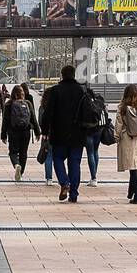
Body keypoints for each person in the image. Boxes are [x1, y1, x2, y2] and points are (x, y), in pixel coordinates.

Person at [39, 64, 87, 203]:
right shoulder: (81, 91)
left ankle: (64, 182)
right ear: (73, 75)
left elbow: (48, 113)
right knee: (75, 163)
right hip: (77, 135)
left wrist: (45, 130)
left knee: (58, 159)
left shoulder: (55, 91)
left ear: (62, 75)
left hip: (59, 133)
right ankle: (74, 194)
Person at [2, 85, 40, 181]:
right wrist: (37, 132)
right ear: (22, 94)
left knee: (13, 152)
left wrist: (3, 135)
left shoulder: (9, 104)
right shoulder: (27, 103)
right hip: (26, 131)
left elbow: (5, 121)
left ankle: (16, 165)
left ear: (14, 94)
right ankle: (21, 173)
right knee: (23, 153)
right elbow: (33, 118)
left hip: (13, 132)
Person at [83, 87, 107, 187]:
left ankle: (93, 178)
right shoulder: (99, 100)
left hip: (89, 130)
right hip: (99, 129)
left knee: (90, 153)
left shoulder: (85, 102)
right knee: (96, 151)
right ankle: (94, 176)